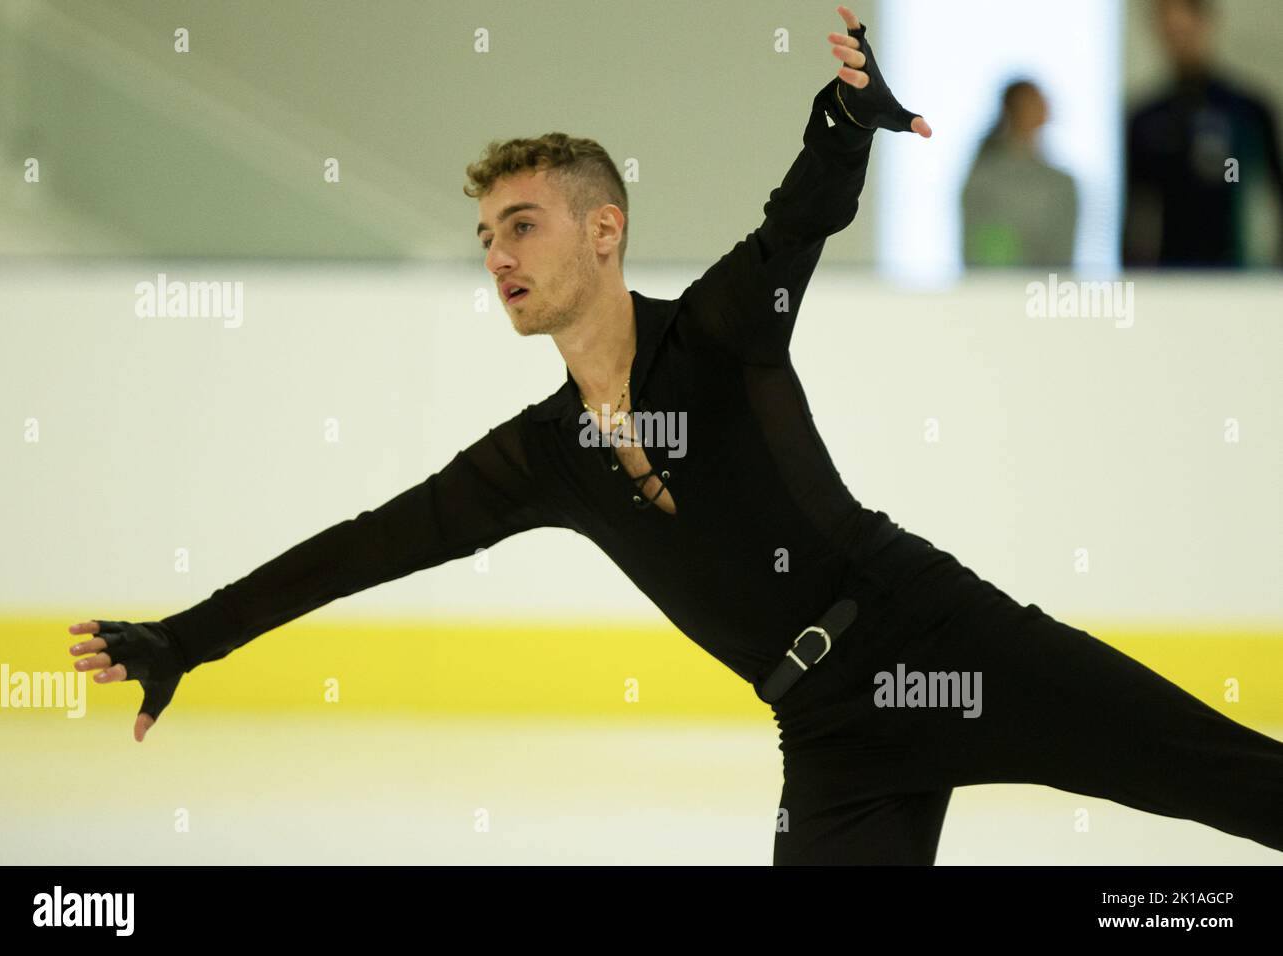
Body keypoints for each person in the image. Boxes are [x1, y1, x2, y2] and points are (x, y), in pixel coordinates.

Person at [68, 6, 1283, 864]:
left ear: (604, 230)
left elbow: (800, 211)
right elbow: (368, 543)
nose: (498, 256)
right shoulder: (541, 456)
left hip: (932, 628)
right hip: (827, 730)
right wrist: (187, 638)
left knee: (1225, 774)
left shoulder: (716, 333)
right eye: (488, 234)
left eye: (525, 226)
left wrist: (848, 110)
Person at [1123, 0, 1283, 267]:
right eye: (1171, 32)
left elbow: (1256, 181)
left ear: (1205, 24)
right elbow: (1136, 207)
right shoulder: (1146, 119)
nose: (1180, 42)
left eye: (1185, 30)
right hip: (1168, 270)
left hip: (1238, 267)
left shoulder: (1244, 112)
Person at [961, 79, 1078, 267]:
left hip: (1044, 287)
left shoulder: (1061, 184)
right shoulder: (984, 180)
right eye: (1030, 104)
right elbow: (976, 245)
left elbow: (1062, 255)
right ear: (1012, 110)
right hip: (996, 285)